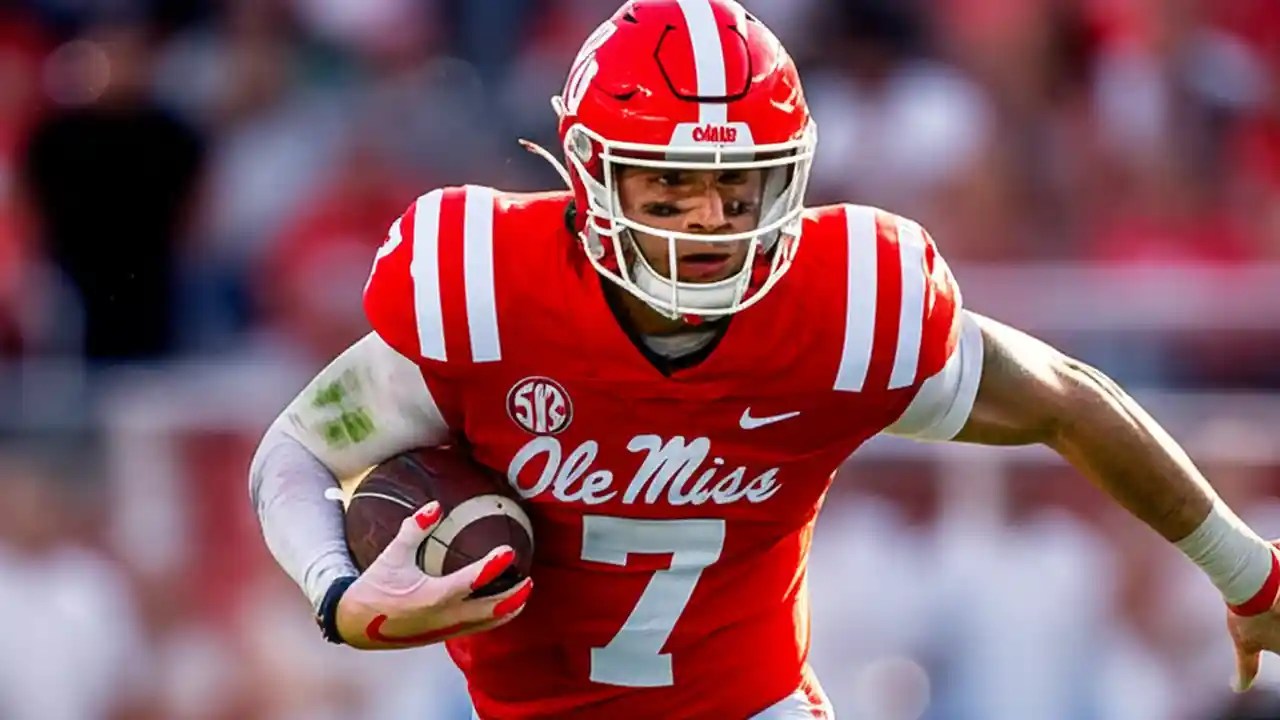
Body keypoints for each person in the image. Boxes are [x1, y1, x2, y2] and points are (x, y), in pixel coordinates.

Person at [249, 2, 1280, 718]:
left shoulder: (841, 309)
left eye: (737, 187)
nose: (708, 219)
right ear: (590, 176)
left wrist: (1249, 575)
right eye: (669, 188)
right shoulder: (486, 292)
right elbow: (296, 449)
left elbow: (1068, 401)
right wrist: (341, 596)